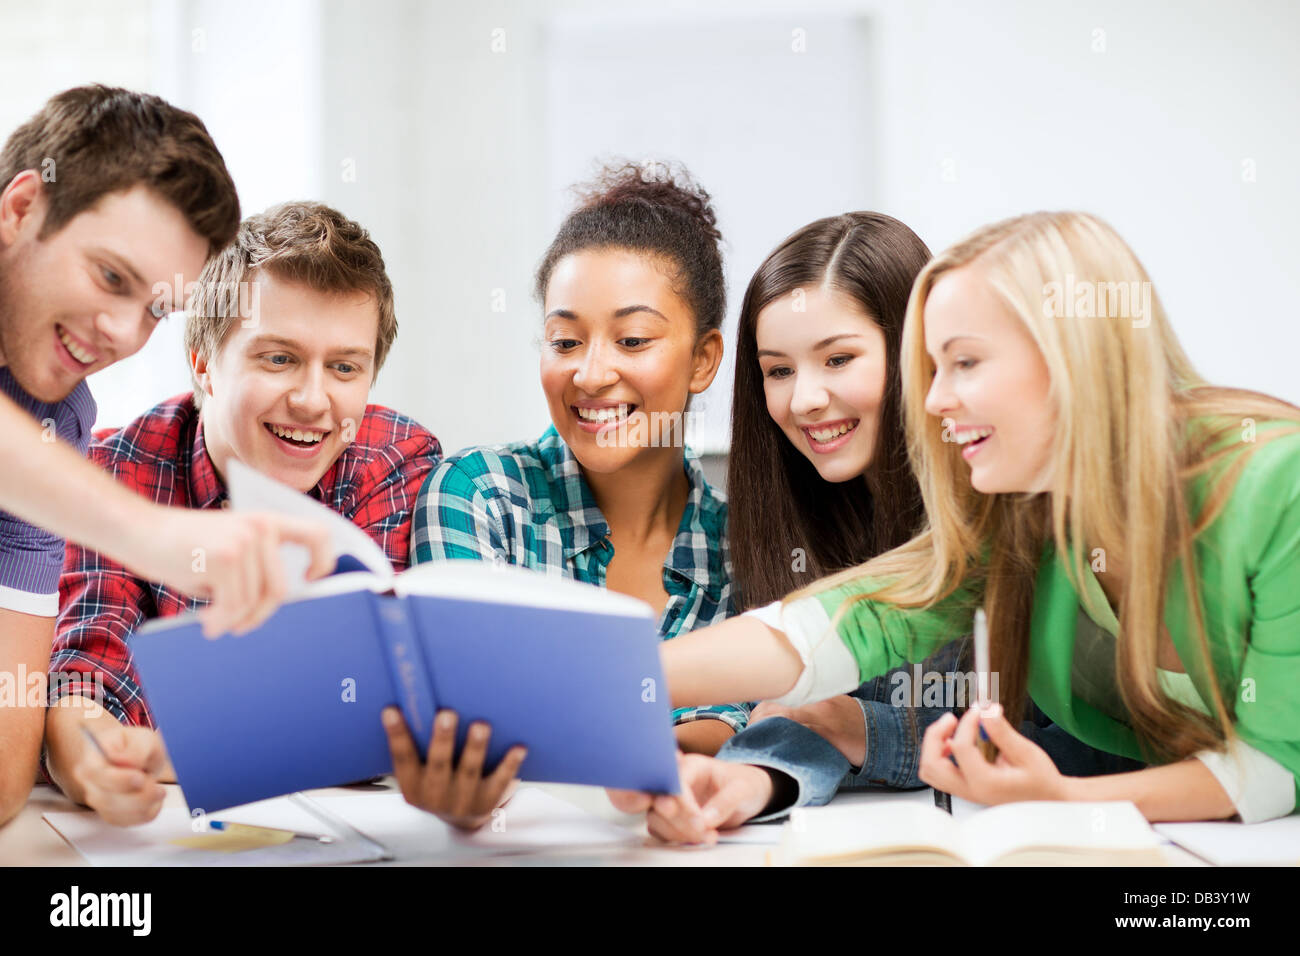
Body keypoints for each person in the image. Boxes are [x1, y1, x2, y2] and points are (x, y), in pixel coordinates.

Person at [648, 210, 1300, 831]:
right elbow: (847, 623)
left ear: (1070, 355)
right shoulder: (1028, 516)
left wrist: (1062, 799)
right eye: (932, 369)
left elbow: (1273, 770)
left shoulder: (1277, 486)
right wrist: (627, 674)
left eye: (963, 363)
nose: (932, 399)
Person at [43, 202, 441, 826]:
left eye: (344, 367)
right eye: (277, 358)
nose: (313, 400)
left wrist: (179, 747)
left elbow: (372, 707)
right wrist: (93, 756)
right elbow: (90, 669)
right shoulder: (115, 467)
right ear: (204, 364)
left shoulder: (393, 458)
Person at [0, 87, 331, 826]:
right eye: (111, 277)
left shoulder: (53, 421)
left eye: (155, 308)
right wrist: (155, 536)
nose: (120, 331)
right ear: (20, 209)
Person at [385, 161, 737, 829]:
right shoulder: (478, 494)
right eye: (564, 340)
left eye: (632, 339)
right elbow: (467, 716)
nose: (591, 372)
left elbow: (738, 729)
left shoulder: (741, 548)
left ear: (703, 358)